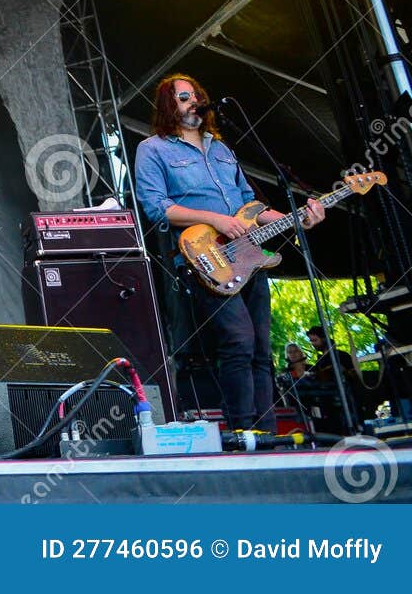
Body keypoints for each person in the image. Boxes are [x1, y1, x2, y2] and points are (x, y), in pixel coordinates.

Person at [134, 74, 324, 433]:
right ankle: (242, 432)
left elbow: (249, 205)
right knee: (238, 340)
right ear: (168, 105)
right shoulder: (154, 149)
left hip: (249, 255)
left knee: (261, 349)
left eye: (196, 95)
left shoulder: (221, 150)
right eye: (184, 97)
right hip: (204, 256)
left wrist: (299, 219)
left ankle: (266, 435)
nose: (193, 101)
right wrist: (215, 220)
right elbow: (157, 207)